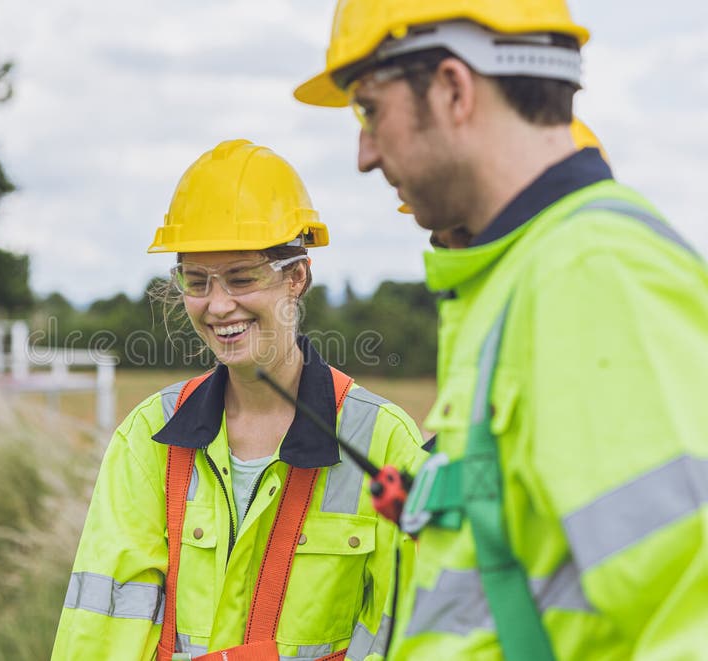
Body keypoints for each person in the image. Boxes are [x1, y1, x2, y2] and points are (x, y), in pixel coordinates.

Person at [295, 2, 708, 659]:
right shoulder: (523, 278)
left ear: (455, 89)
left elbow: (691, 614)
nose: (364, 154)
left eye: (370, 110)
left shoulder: (592, 271)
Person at [53, 139, 427, 660]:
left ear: (297, 275)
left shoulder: (384, 441)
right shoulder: (150, 436)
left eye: (241, 277)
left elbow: (415, 637)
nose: (219, 305)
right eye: (197, 281)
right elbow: (100, 634)